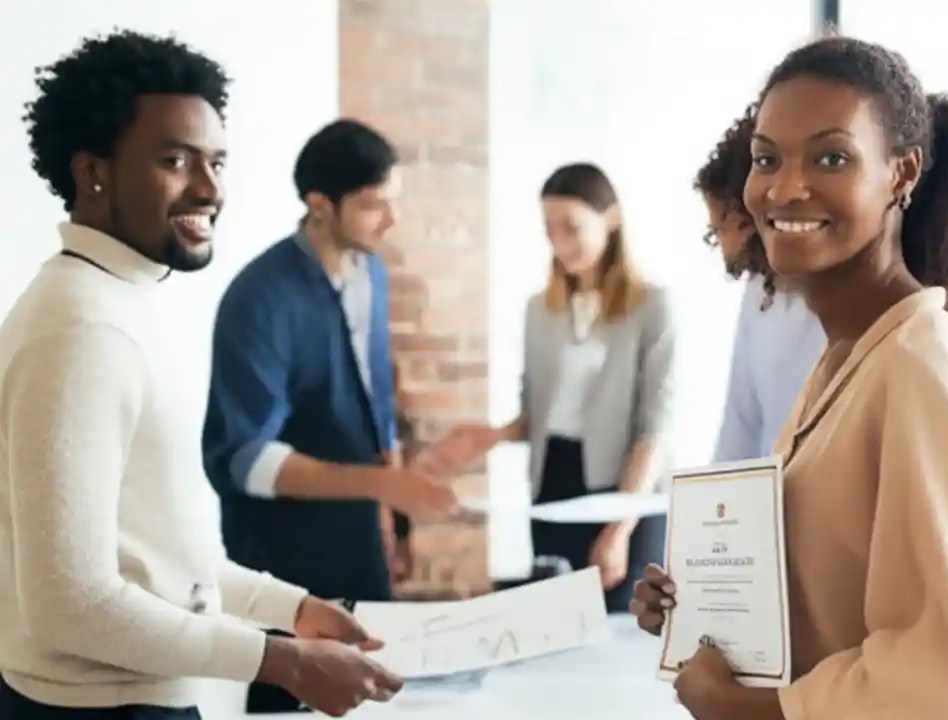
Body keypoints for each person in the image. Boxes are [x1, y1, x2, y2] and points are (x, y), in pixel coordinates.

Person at [632, 36, 948, 719]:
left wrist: (734, 709)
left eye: (831, 157)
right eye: (767, 159)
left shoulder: (919, 373)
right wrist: (703, 612)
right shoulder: (850, 359)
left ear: (900, 174)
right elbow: (837, 606)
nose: (786, 188)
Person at [0, 31, 402, 719]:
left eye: (217, 161)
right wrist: (281, 660)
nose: (209, 188)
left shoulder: (121, 300)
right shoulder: (84, 329)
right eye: (175, 160)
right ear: (93, 172)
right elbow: (69, 605)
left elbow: (160, 563)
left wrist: (292, 609)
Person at [201, 119, 455, 713]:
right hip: (278, 559)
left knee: (376, 696)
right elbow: (246, 462)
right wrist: (383, 484)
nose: (389, 222)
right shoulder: (258, 299)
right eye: (372, 206)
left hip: (356, 539)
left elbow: (376, 407)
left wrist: (387, 517)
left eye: (392, 203)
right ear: (320, 204)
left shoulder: (373, 274)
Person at [431, 163, 675, 613]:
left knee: (625, 630)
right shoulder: (538, 311)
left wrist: (618, 530)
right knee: (559, 624)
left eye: (572, 227)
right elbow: (538, 415)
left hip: (626, 489)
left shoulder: (652, 307)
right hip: (554, 483)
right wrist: (489, 437)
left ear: (612, 219)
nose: (559, 242)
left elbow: (653, 429)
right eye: (549, 229)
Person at [695, 109, 827, 462]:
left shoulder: (841, 305)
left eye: (720, 230)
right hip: (769, 503)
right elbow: (740, 425)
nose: (721, 249)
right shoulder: (758, 295)